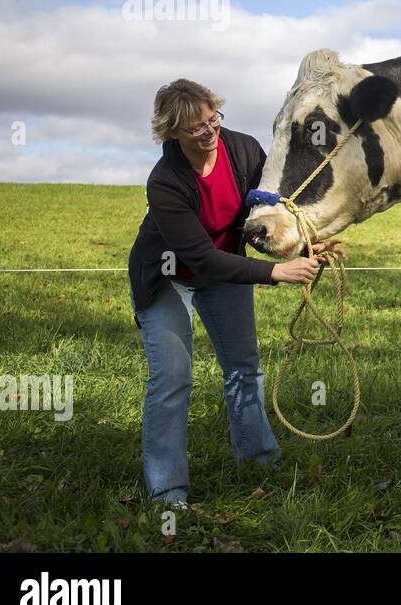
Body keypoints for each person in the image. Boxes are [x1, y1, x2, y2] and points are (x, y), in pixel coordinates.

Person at [126, 79, 343, 507]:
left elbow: (265, 211)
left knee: (244, 368)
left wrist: (303, 244)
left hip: (225, 271)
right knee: (172, 379)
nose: (209, 132)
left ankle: (259, 462)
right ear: (171, 133)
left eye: (213, 119)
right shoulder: (165, 182)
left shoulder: (242, 150)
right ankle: (168, 490)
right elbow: (202, 258)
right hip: (168, 277)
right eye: (195, 128)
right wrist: (275, 272)